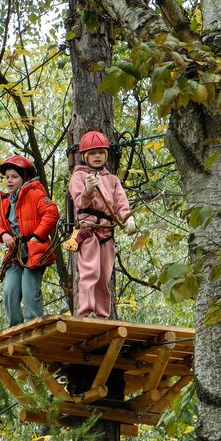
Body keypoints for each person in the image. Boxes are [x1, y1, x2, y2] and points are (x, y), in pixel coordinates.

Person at [69, 131, 135, 318]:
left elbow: (121, 203)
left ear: (105, 155)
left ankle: (102, 314)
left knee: (104, 275)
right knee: (90, 271)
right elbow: (80, 203)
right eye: (93, 153)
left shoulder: (112, 180)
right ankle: (86, 311)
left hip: (107, 232)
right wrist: (88, 190)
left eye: (100, 153)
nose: (97, 156)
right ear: (85, 156)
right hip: (88, 231)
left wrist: (128, 218)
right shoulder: (79, 177)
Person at [0, 155, 60, 328]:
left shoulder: (35, 193)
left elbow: (51, 213)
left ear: (24, 177)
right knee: (10, 291)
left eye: (14, 177)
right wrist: (3, 235)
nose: (9, 181)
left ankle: (34, 324)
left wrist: (37, 236)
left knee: (30, 290)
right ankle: (14, 327)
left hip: (34, 253)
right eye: (7, 177)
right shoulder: (6, 202)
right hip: (15, 256)